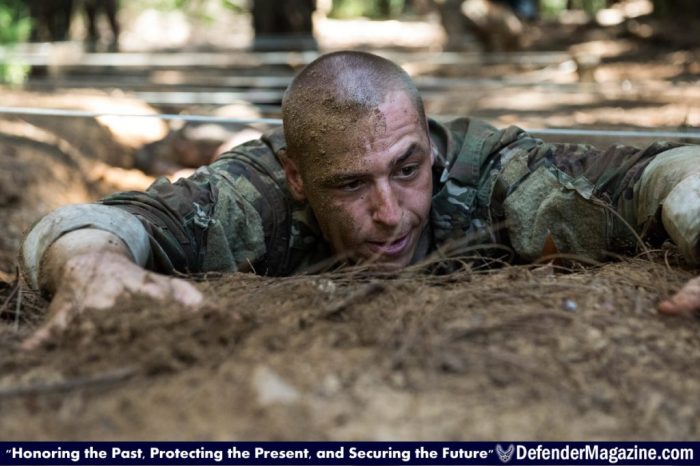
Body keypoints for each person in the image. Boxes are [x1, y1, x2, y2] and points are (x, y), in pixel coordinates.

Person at [19, 51, 700, 349]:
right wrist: (93, 271)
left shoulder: (497, 176)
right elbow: (94, 225)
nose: (390, 213)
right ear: (295, 178)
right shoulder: (251, 197)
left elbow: (666, 171)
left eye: (407, 169)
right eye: (349, 184)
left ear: (428, 147)